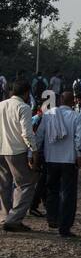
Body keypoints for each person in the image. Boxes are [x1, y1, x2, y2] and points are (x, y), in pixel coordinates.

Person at [34, 92, 81, 238]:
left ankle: (52, 219)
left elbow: (39, 135)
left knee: (52, 189)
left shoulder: (49, 114)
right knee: (68, 194)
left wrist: (35, 154)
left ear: (60, 100)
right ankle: (65, 227)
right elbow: (80, 138)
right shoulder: (76, 116)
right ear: (72, 102)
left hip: (51, 159)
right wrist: (79, 155)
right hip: (69, 160)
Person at [0, 80, 38, 232]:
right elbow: (27, 133)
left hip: (1, 150)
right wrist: (34, 150)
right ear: (26, 93)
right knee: (26, 184)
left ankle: (4, 217)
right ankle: (14, 219)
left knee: (4, 185)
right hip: (16, 151)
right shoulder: (24, 107)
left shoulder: (1, 104)